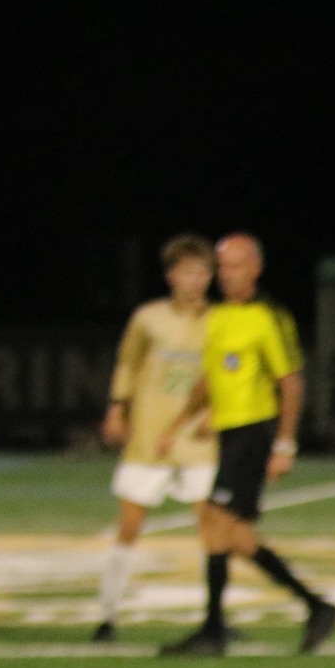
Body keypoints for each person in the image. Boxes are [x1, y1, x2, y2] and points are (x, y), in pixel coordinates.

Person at [156, 233, 335, 656]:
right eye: (222, 267)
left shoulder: (269, 317)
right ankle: (316, 606)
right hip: (230, 435)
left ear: (256, 269)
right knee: (234, 536)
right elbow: (209, 379)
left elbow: (291, 384)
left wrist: (285, 444)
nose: (227, 275)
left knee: (215, 523)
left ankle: (213, 630)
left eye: (236, 266)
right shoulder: (218, 316)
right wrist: (180, 422)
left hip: (255, 434)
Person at [92, 234, 219, 641]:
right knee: (129, 526)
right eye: (188, 271)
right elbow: (127, 364)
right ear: (171, 276)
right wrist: (117, 407)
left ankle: (215, 618)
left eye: (203, 272)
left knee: (214, 531)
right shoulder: (148, 318)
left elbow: (228, 375)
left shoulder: (220, 320)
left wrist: (216, 413)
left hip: (198, 440)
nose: (196, 280)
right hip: (149, 436)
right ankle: (108, 616)